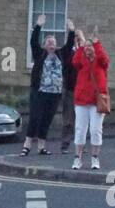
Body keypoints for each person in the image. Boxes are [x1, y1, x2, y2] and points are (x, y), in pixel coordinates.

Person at [23, 14, 75, 156]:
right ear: (45, 45)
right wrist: (38, 26)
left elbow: (69, 44)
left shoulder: (61, 54)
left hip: (55, 93)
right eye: (49, 42)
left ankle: (41, 147)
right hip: (39, 91)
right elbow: (33, 41)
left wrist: (71, 30)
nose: (51, 44)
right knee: (35, 117)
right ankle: (27, 145)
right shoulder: (39, 53)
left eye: (53, 42)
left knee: (47, 119)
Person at [70, 27, 109, 170]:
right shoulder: (81, 61)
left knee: (95, 129)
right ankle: (77, 158)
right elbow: (75, 62)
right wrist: (81, 45)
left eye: (90, 46)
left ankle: (95, 158)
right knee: (80, 129)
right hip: (81, 100)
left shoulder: (100, 61)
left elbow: (105, 59)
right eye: (86, 47)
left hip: (97, 100)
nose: (87, 48)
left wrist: (96, 43)